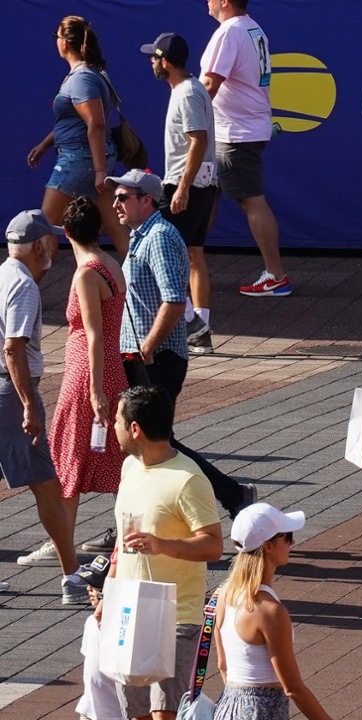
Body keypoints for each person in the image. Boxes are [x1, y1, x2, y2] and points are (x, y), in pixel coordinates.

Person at [105, 170, 255, 530]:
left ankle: (225, 498)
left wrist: (148, 346)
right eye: (116, 198)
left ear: (146, 201)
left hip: (157, 359)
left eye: (123, 197)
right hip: (142, 356)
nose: (115, 204)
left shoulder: (159, 237)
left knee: (153, 442)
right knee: (151, 442)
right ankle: (228, 497)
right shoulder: (142, 235)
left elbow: (174, 300)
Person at [98, 385, 222, 720]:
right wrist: (109, 593)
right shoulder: (130, 468)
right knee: (135, 714)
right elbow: (123, 543)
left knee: (166, 714)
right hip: (130, 612)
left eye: (118, 421)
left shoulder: (188, 479)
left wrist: (161, 544)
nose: (114, 428)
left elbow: (213, 544)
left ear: (135, 429)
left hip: (177, 616)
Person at [15, 198, 128, 571]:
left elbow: (93, 335)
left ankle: (59, 542)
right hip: (111, 367)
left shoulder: (86, 274)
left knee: (68, 455)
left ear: (65, 233)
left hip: (86, 373)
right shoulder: (109, 263)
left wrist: (94, 390)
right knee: (112, 455)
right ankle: (125, 535)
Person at [2, 210, 89, 603]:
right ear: (38, 246)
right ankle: (72, 578)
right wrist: (28, 406)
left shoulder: (3, 273)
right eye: (51, 241)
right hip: (11, 392)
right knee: (46, 484)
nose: (55, 246)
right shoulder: (23, 285)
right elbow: (13, 348)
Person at [200, 0, 291, 297]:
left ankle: (275, 276)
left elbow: (210, 83)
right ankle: (189, 265)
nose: (207, 1)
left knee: (251, 200)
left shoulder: (230, 32)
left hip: (236, 133)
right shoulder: (252, 28)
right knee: (206, 195)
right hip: (235, 129)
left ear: (225, 1)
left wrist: (189, 118)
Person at [214, 503, 332, 720]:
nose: (293, 542)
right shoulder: (269, 611)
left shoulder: (224, 594)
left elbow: (223, 665)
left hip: (227, 708)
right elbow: (293, 688)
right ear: (268, 546)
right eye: (288, 536)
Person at [143, 33, 221, 355]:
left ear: (165, 61)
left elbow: (197, 141)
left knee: (160, 250)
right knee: (193, 254)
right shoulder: (188, 89)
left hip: (184, 184)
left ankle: (191, 322)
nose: (151, 62)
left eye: (154, 57)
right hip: (198, 184)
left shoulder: (187, 93)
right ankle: (200, 329)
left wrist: (184, 188)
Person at [26, 16, 130, 256]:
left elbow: (96, 124)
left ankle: (27, 290)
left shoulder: (82, 78)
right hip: (89, 161)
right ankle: (137, 287)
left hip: (79, 162)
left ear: (65, 43)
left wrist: (100, 171)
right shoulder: (86, 74)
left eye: (57, 37)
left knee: (45, 227)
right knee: (116, 229)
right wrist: (44, 144)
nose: (56, 42)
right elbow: (75, 121)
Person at [79, 554, 128, 720]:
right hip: (90, 710)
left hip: (116, 713)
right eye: (88, 585)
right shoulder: (90, 622)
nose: (88, 589)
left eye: (95, 586)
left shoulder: (124, 626)